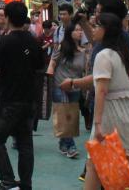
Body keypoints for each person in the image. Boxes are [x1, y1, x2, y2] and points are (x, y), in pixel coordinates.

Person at [81, 14, 129, 190]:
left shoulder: (103, 55)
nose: (93, 30)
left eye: (96, 26)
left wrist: (97, 124)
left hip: (110, 115)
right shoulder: (125, 55)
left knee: (93, 165)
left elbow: (101, 91)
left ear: (106, 30)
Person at [0, 1, 44, 190]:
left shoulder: (4, 41)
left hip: (9, 99)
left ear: (9, 18)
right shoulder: (33, 40)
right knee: (25, 143)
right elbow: (39, 67)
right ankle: (26, 184)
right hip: (29, 99)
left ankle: (8, 182)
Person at [47, 18, 86, 158]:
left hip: (75, 86)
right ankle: (71, 146)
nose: (80, 32)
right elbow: (53, 62)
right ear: (70, 33)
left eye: (81, 30)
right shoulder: (62, 48)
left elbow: (84, 71)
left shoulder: (84, 51)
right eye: (76, 30)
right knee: (65, 115)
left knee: (71, 116)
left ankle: (63, 142)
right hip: (60, 85)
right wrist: (49, 74)